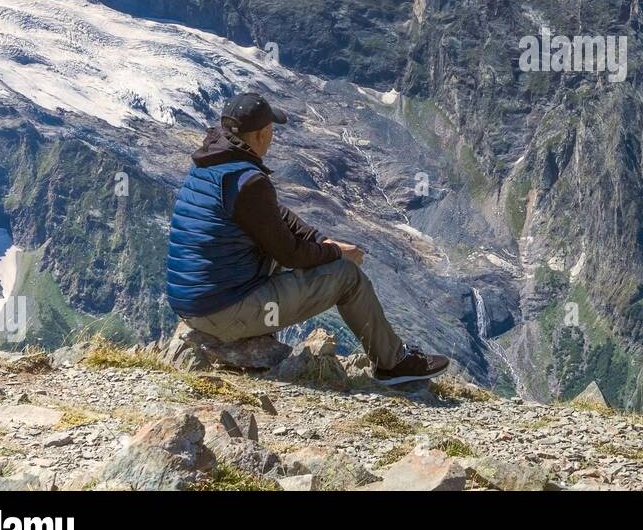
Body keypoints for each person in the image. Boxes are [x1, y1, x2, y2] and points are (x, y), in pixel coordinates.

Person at [165, 91, 449, 385]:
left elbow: (273, 216)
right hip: (221, 312)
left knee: (279, 253)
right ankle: (394, 364)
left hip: (194, 305)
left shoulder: (212, 162)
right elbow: (291, 254)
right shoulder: (247, 181)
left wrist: (320, 241)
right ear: (262, 134)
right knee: (347, 277)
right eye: (271, 130)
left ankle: (255, 331)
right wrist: (336, 255)